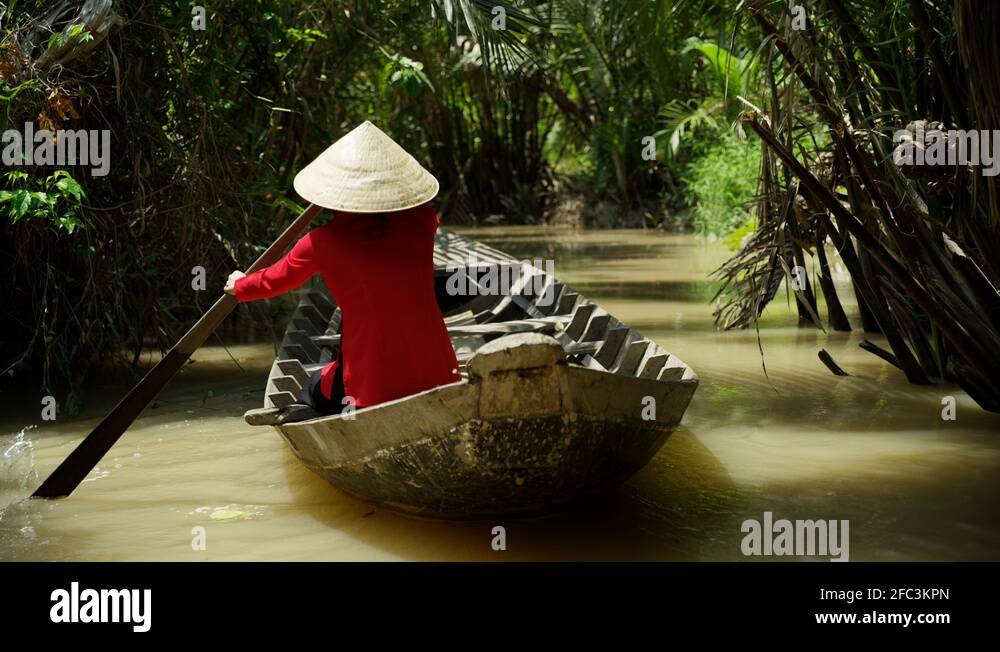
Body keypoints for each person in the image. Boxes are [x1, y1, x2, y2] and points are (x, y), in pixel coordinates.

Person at [224, 121, 461, 416]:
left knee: (312, 387)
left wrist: (239, 285)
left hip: (373, 383)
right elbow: (415, 208)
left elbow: (274, 281)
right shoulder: (422, 223)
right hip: (438, 372)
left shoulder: (321, 242)